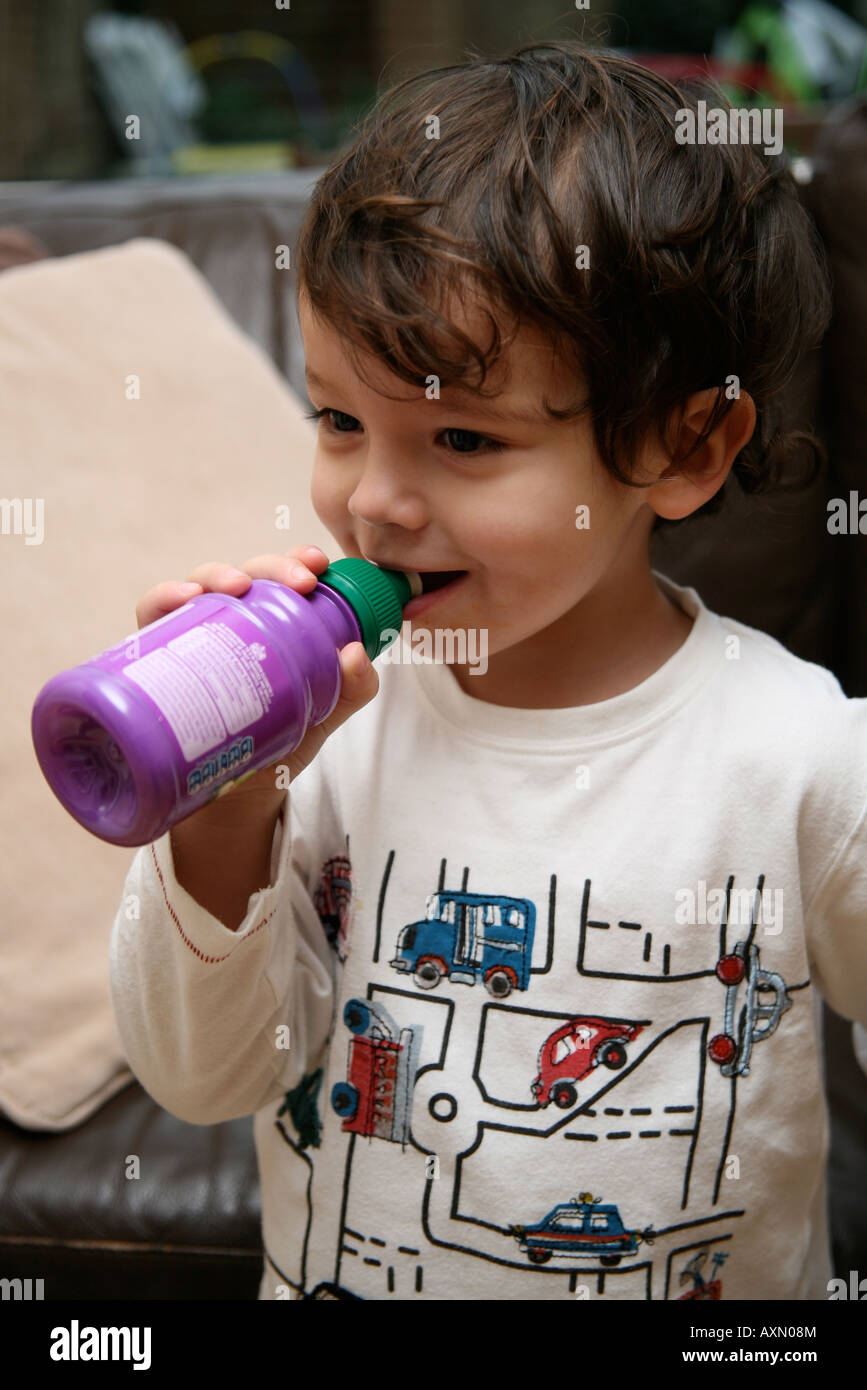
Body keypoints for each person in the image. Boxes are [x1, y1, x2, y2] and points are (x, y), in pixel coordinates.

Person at [109, 41, 866, 1300]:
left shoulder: (802, 761)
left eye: (463, 436)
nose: (377, 502)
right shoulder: (326, 729)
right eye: (341, 421)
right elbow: (206, 1079)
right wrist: (225, 813)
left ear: (687, 445)